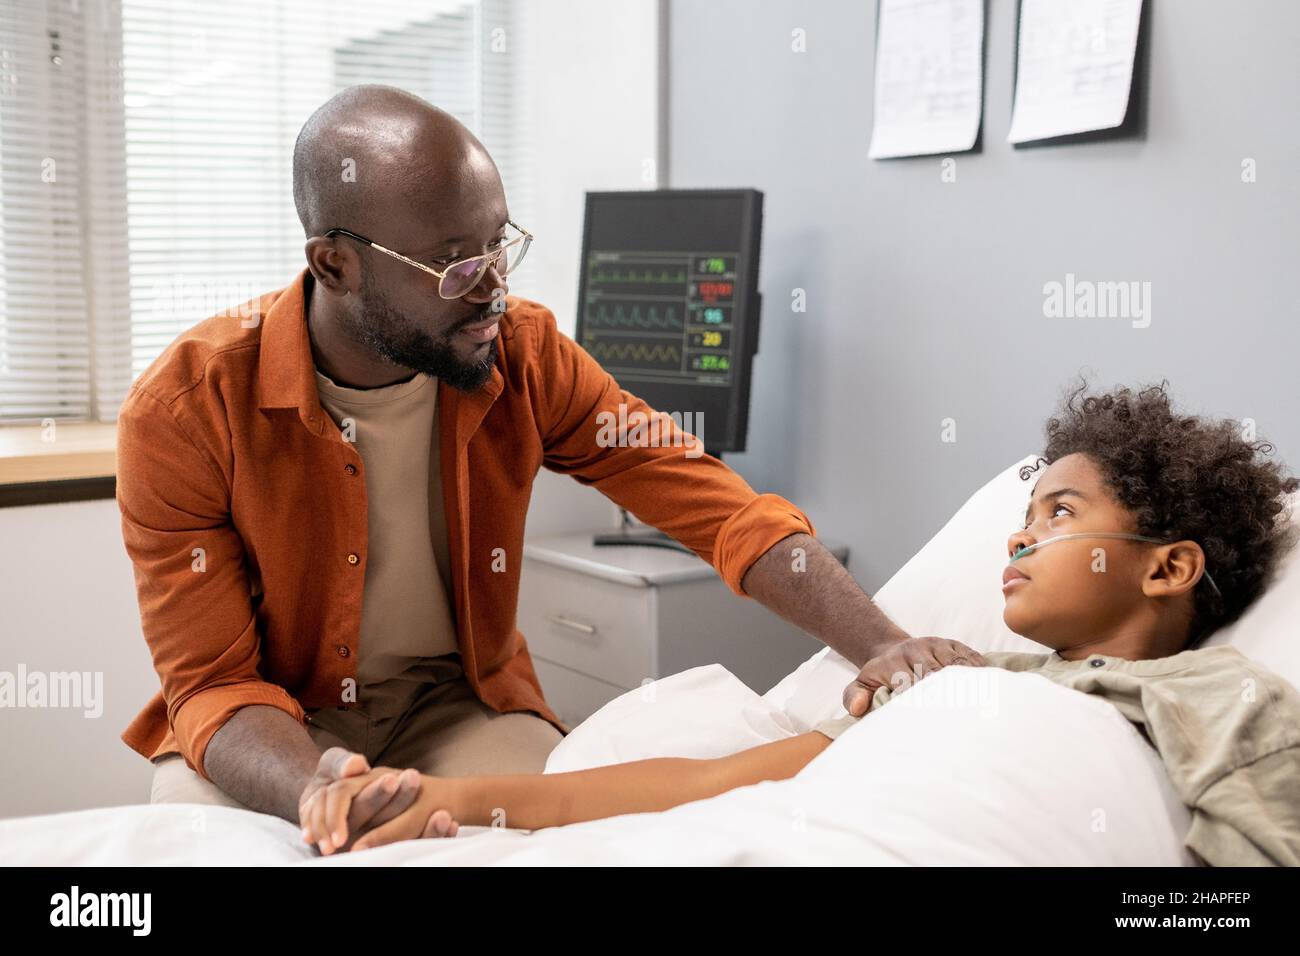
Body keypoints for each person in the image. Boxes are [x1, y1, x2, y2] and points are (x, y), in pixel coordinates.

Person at [117, 84, 974, 851]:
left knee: (552, 851)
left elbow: (715, 506)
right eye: (458, 263)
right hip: (268, 718)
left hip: (455, 707)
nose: (493, 287)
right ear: (335, 264)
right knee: (193, 851)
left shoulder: (525, 356)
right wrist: (317, 788)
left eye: (501, 245)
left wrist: (887, 645)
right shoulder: (186, 412)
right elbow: (214, 683)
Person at [305, 382, 1300, 866]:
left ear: (1169, 566)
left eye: (1061, 515)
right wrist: (456, 796)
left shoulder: (1217, 700)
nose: (1019, 537)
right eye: (1024, 512)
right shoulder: (956, 684)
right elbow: (704, 787)